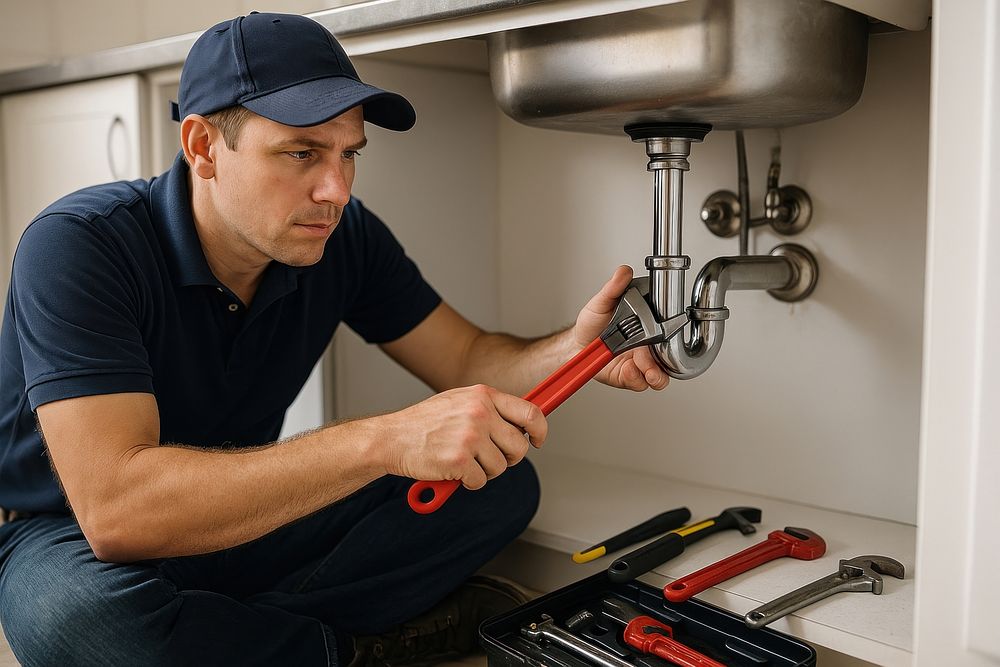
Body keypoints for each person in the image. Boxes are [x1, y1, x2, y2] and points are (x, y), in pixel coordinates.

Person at [0, 12, 669, 667]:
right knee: (81, 622)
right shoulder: (80, 246)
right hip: (69, 535)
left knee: (497, 482)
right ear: (203, 147)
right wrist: (382, 440)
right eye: (302, 153)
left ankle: (236, 635)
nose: (336, 190)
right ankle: (356, 648)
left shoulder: (343, 237)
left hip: (248, 516)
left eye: (349, 154)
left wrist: (584, 348)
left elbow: (467, 359)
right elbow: (118, 513)